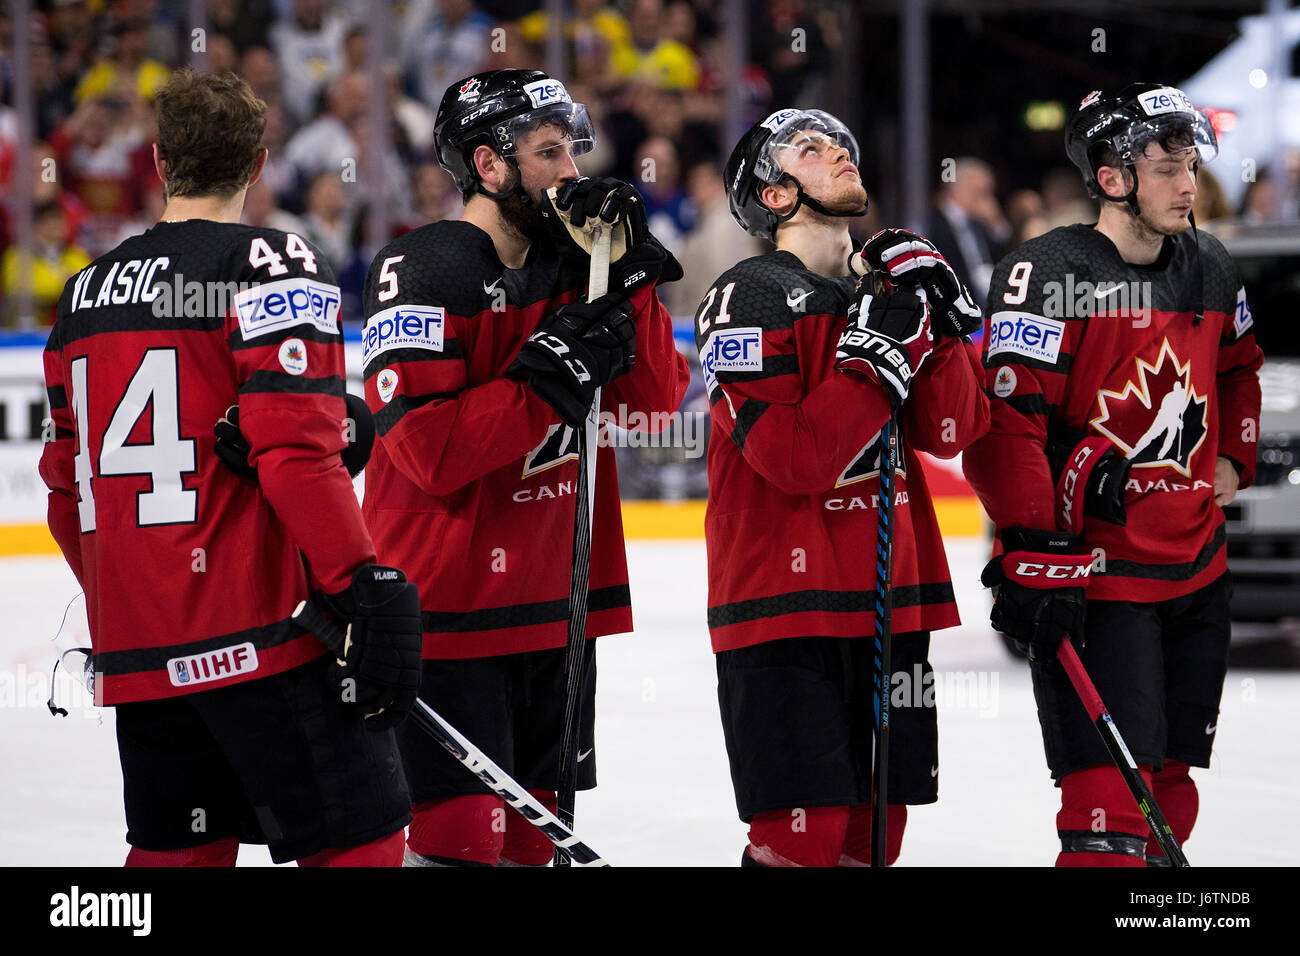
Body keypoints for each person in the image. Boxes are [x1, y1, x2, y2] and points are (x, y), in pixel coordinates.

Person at [38, 69, 422, 867]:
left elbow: (65, 490)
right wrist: (358, 585)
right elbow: (291, 453)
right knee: (365, 844)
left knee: (181, 856)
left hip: (142, 652)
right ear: (258, 166)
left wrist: (138, 607)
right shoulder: (270, 260)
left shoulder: (80, 297)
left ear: (158, 159)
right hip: (265, 637)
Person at [361, 69, 690, 867]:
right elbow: (428, 454)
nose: (572, 171)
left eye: (572, 148)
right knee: (460, 840)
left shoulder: (579, 262)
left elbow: (654, 398)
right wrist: (546, 380)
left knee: (534, 842)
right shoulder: (423, 266)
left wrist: (629, 268)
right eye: (548, 152)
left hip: (555, 602)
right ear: (488, 165)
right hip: (449, 602)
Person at [963, 84, 1264, 866]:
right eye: (1167, 167)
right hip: (1100, 582)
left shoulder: (1209, 265)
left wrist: (1235, 454)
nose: (1188, 184)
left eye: (1191, 164)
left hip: (1197, 570)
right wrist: (1032, 544)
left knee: (1172, 791)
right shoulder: (1046, 273)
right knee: (1106, 813)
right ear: (1111, 177)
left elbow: (1240, 369)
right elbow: (1007, 425)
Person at [698, 108, 989, 867]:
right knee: (804, 838)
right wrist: (881, 354)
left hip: (895, 599)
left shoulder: (890, 292)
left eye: (842, 144)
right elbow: (796, 461)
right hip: (784, 607)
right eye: (809, 150)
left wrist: (944, 322)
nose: (839, 154)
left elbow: (953, 433)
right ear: (774, 196)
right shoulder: (748, 294)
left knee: (877, 836)